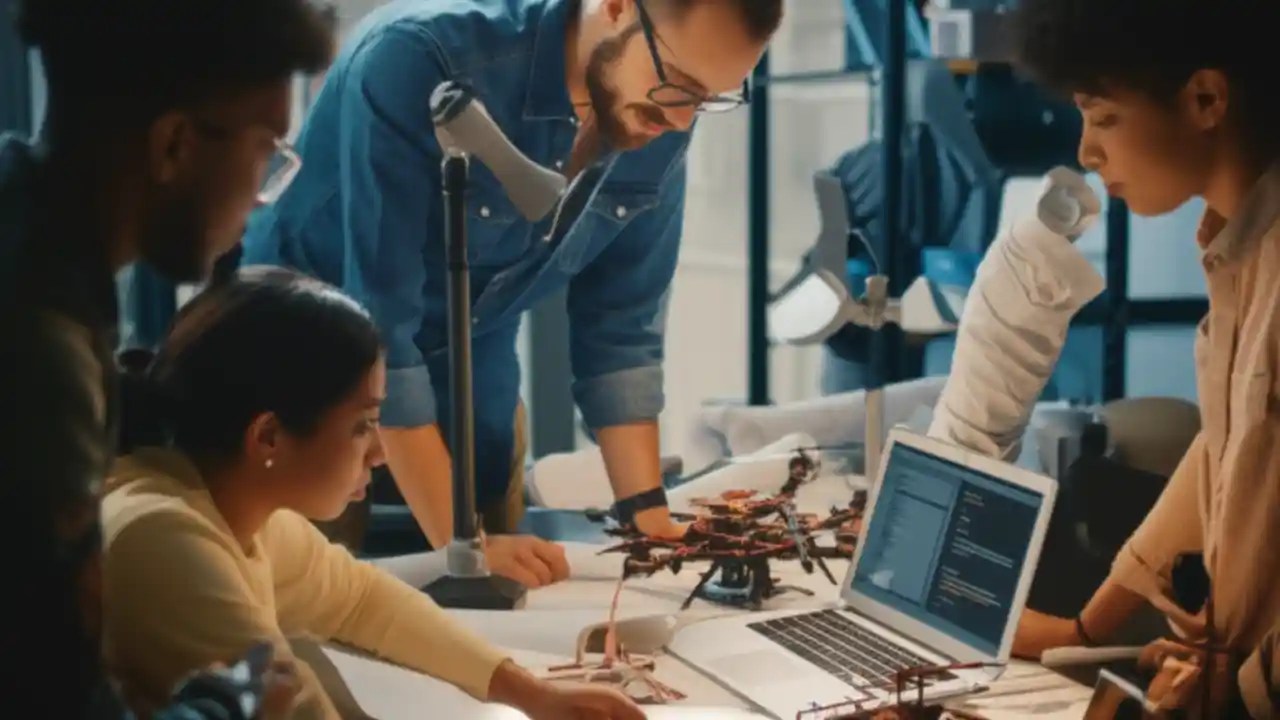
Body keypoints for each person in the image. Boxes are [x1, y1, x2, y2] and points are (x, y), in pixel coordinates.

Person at [236, 0, 783, 554]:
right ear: (616, 7)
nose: (683, 120)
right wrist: (468, 548)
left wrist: (646, 514)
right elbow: (381, 331)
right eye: (681, 86)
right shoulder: (420, 58)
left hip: (474, 356)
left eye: (710, 100)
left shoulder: (657, 117)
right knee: (312, 586)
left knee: (508, 587)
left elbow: (622, 327)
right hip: (308, 359)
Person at [102, 267, 644, 720]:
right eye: (363, 424)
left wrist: (536, 697)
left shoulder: (238, 512)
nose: (380, 452)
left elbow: (362, 601)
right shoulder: (164, 541)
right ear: (268, 435)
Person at [0, 0, 332, 717]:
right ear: (175, 145)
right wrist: (223, 703)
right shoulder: (40, 345)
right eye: (266, 148)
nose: (261, 196)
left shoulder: (32, 244)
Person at [1006, 1, 1280, 716]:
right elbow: (1220, 454)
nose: (1088, 154)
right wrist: (1085, 630)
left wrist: (1242, 695)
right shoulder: (1236, 251)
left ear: (1205, 99)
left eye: (1103, 118)